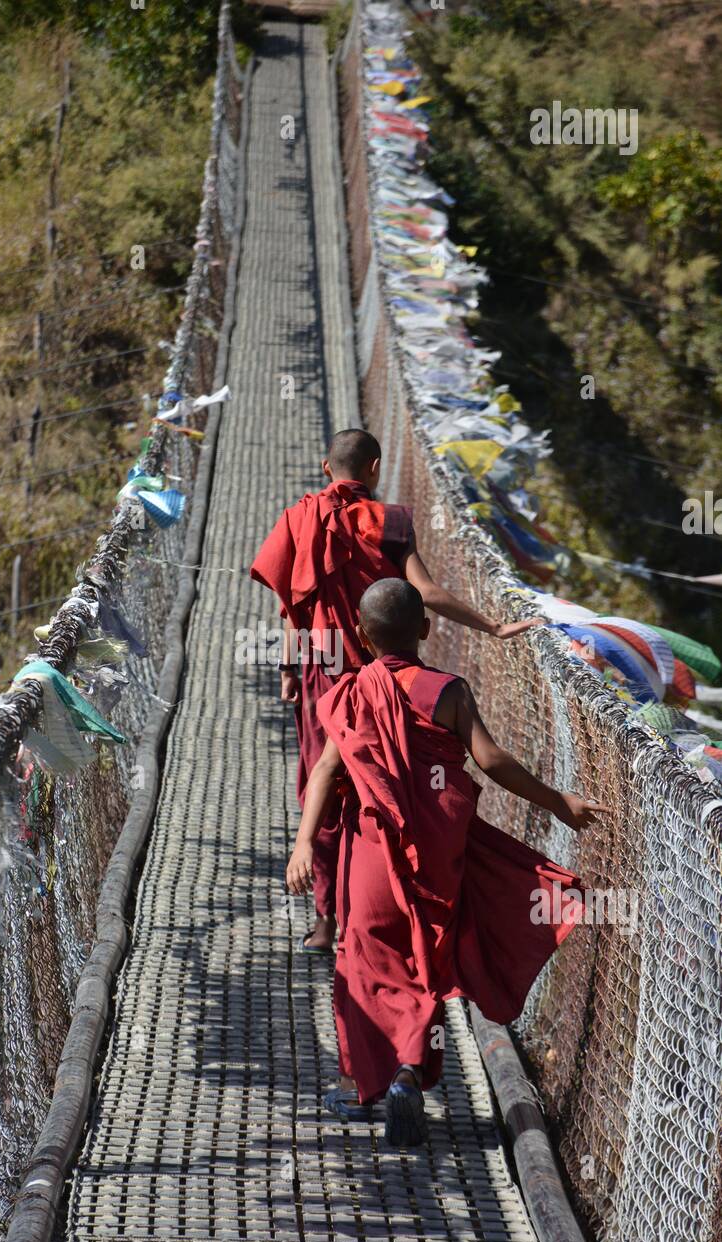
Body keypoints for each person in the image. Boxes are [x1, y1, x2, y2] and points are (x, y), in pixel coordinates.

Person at [285, 578, 608, 1147]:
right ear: (426, 629)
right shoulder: (449, 691)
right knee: (425, 961)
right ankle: (409, 1072)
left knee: (363, 962)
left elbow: (325, 772)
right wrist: (559, 802)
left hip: (371, 849)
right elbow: (492, 761)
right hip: (440, 855)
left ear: (360, 633)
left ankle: (359, 1085)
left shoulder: (352, 693)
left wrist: (304, 843)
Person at [251, 428, 541, 955]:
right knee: (393, 786)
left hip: (325, 673)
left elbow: (297, 603)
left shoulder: (300, 517)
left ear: (325, 468)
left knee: (325, 781)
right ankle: (402, 907)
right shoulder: (392, 522)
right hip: (389, 674)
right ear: (376, 468)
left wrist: (288, 670)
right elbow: (427, 593)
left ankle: (325, 919)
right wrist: (494, 628)